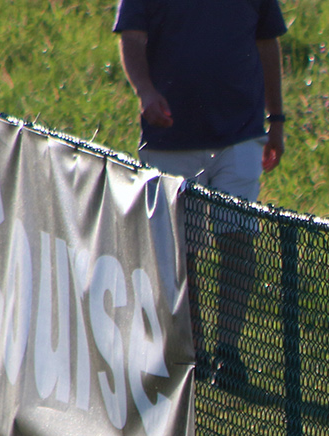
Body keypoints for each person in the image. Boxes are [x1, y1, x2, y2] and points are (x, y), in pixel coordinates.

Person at [114, 0, 288, 389]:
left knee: (239, 238)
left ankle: (228, 351)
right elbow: (132, 38)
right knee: (182, 249)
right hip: (172, 138)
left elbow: (267, 43)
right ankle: (193, 351)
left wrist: (276, 119)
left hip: (241, 134)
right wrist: (145, 91)